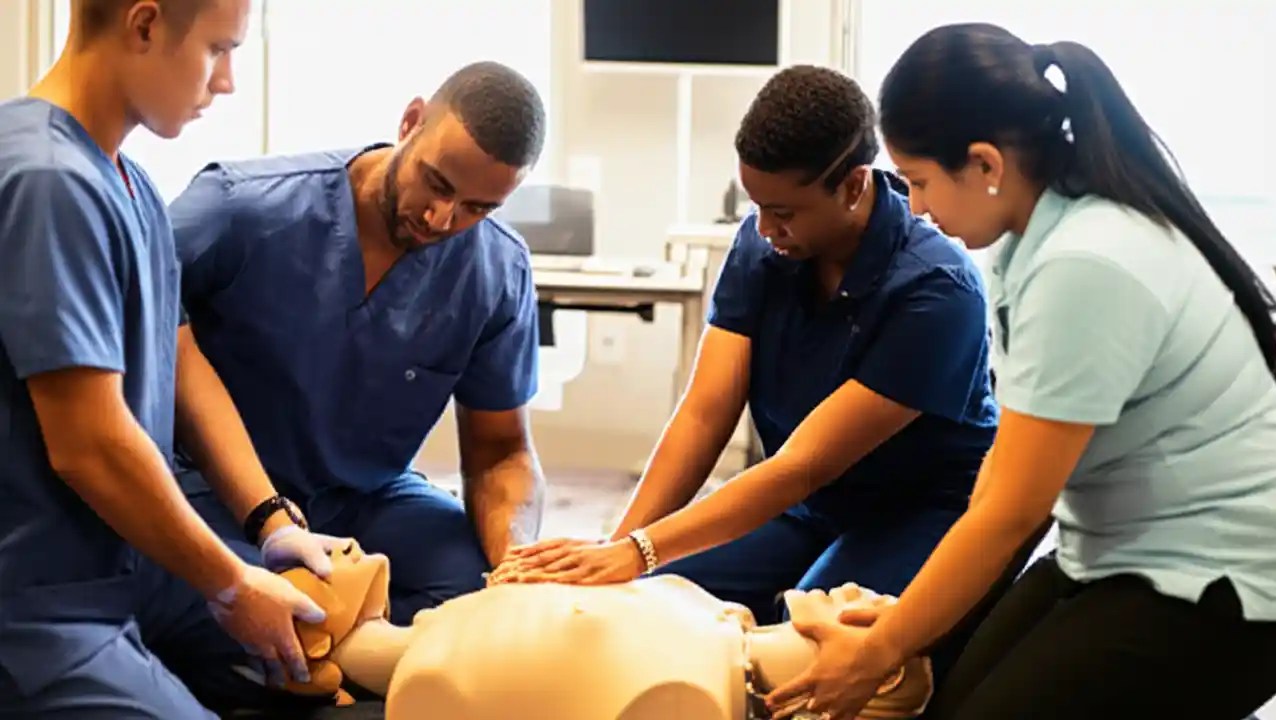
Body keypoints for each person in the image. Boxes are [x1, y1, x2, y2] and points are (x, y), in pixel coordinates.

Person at [763, 23, 1276, 720]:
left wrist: (883, 649)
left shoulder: (1085, 263)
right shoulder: (1036, 241)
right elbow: (1010, 486)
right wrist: (908, 619)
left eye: (918, 182)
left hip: (1226, 588)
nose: (915, 207)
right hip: (1111, 552)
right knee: (944, 689)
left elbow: (1010, 513)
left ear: (984, 163)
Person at [494, 65, 1001, 674]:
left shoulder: (937, 289)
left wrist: (641, 549)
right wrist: (620, 549)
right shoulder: (763, 245)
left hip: (919, 511)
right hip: (810, 506)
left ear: (853, 185)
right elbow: (705, 414)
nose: (765, 229)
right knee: (641, 600)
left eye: (784, 211)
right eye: (757, 205)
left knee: (804, 640)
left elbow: (803, 465)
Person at [0, 0, 360, 716]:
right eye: (218, 50)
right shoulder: (46, 182)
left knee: (331, 637)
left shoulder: (127, 185)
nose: (225, 82)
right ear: (144, 25)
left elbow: (178, 365)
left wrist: (270, 527)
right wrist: (229, 580)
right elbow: (91, 447)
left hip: (119, 566)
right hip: (35, 608)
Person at [167, 60, 550, 624]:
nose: (441, 218)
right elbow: (134, 314)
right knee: (184, 585)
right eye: (438, 183)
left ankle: (330, 649)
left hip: (364, 500)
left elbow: (501, 452)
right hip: (215, 491)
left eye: (478, 208)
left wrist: (515, 563)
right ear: (411, 122)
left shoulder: (498, 269)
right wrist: (267, 518)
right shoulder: (239, 207)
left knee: (474, 596)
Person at [274, 546, 933, 720]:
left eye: (871, 611)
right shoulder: (713, 622)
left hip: (453, 668)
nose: (859, 591)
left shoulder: (692, 693)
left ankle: (327, 638)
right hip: (459, 645)